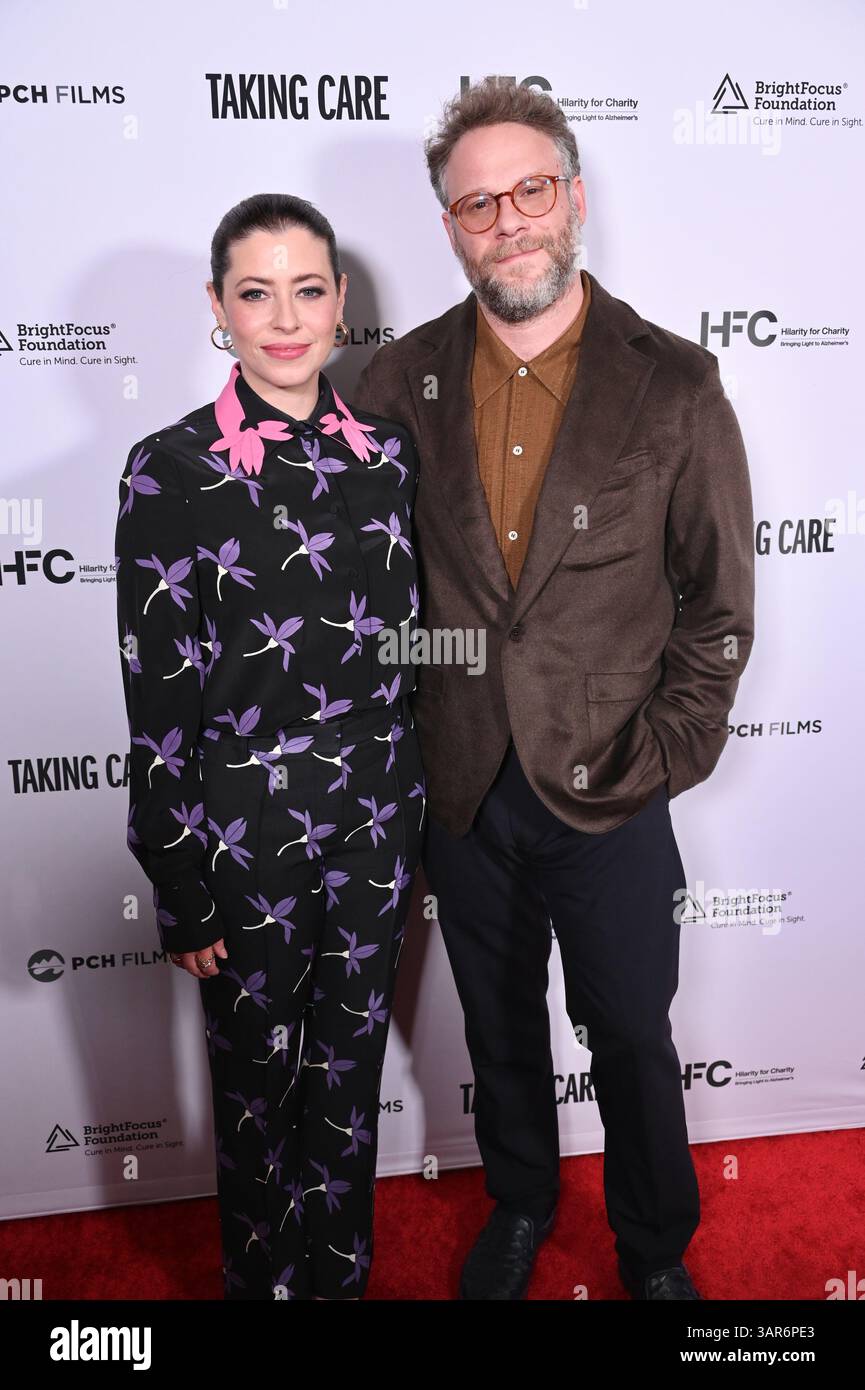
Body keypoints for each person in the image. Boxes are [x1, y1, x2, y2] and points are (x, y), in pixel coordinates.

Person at [354, 77, 755, 1300]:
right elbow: (386, 613)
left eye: (530, 189)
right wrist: (441, 706)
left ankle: (653, 1245)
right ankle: (522, 1199)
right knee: (496, 1029)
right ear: (450, 226)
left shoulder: (674, 384)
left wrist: (659, 752)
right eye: (478, 203)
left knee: (633, 1036)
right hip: (462, 790)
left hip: (614, 787)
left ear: (573, 198)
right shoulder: (392, 386)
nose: (508, 220)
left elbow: (718, 608)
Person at [114, 193, 425, 1300]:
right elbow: (155, 693)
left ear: (341, 301)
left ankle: (337, 1279)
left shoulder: (389, 455)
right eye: (256, 293)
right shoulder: (170, 468)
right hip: (243, 822)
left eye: (307, 289)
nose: (284, 319)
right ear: (218, 308)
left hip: (379, 811)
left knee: (345, 1075)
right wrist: (179, 879)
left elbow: (413, 640)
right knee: (255, 1083)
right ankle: (262, 1285)